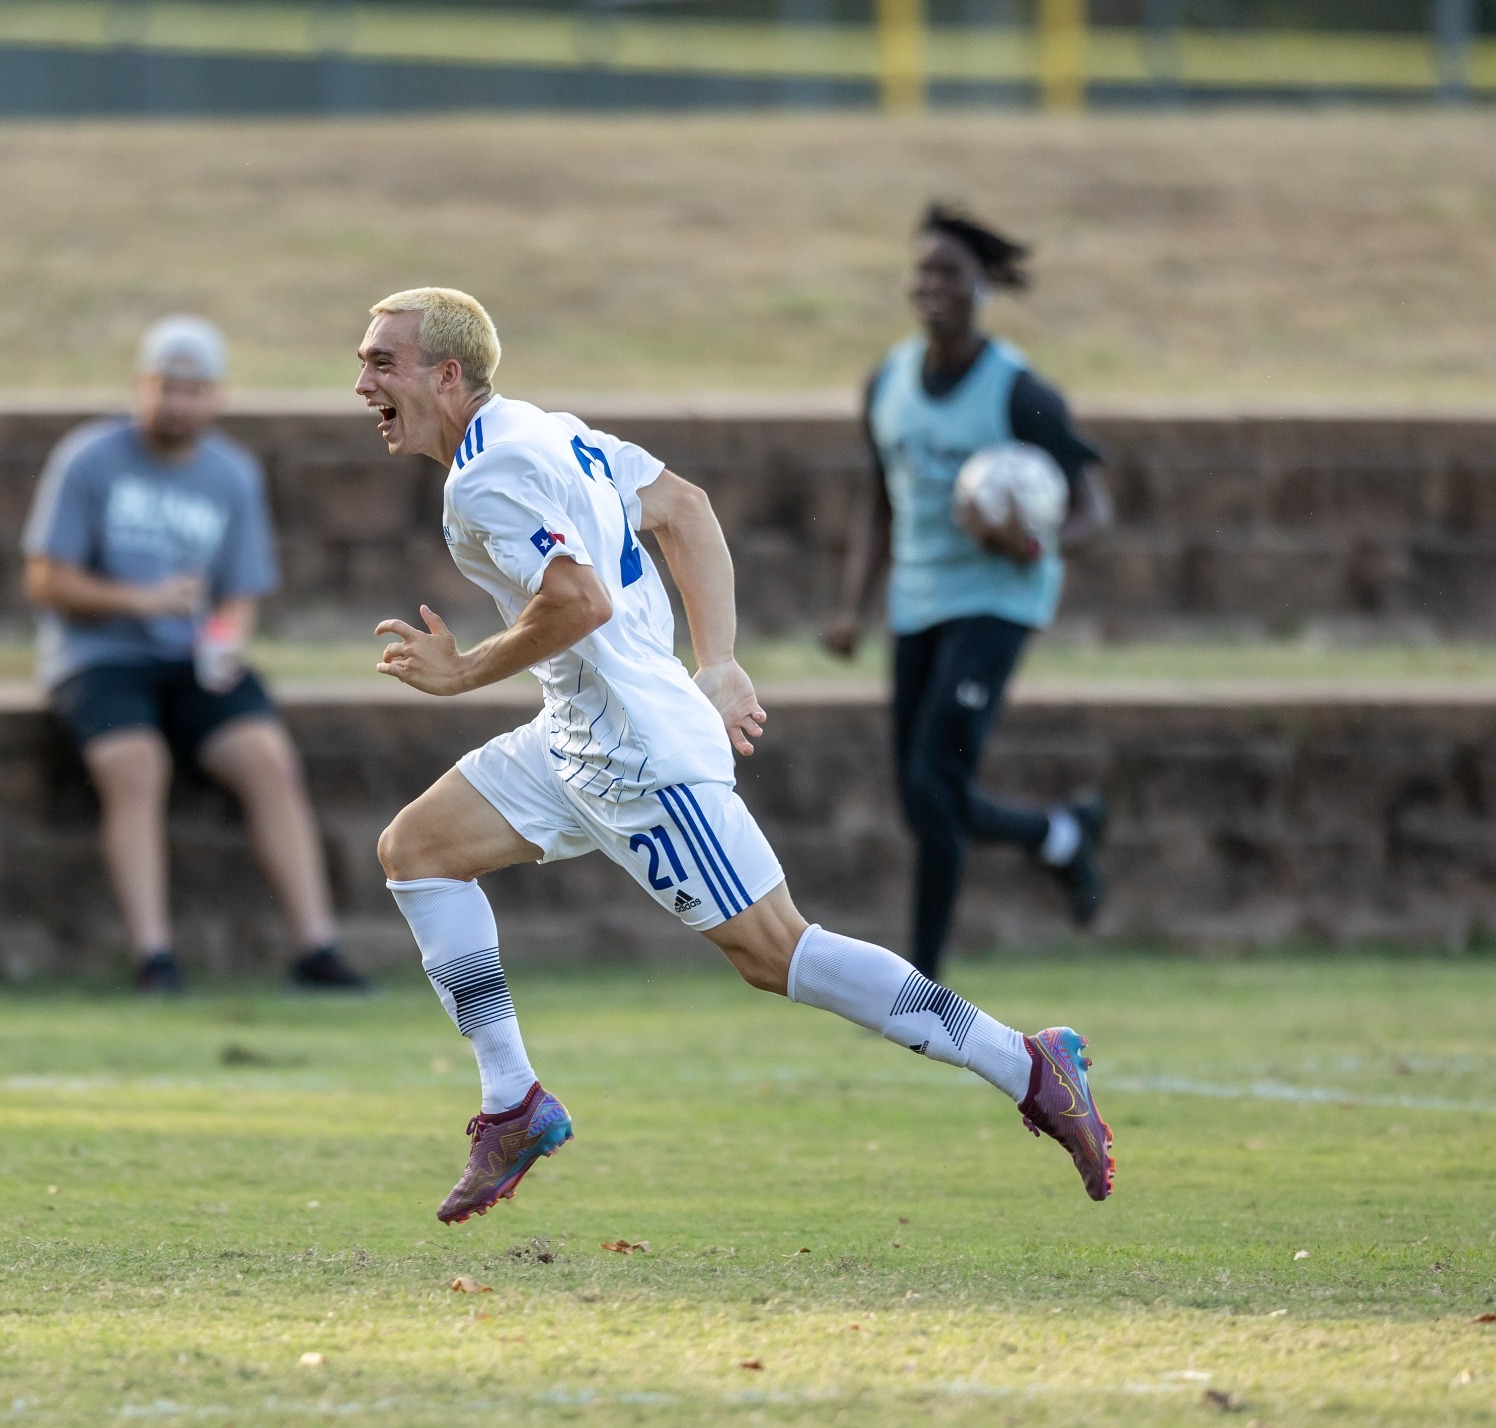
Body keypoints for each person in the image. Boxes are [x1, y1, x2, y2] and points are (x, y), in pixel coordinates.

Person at [354, 286, 1114, 1224]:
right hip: (575, 735)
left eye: (381, 364)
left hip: (638, 756)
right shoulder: (545, 431)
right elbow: (682, 506)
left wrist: (464, 671)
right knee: (416, 852)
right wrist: (715, 666)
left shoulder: (484, 477)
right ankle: (512, 1102)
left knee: (777, 952)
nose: (362, 384)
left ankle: (1026, 1066)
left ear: (447, 373)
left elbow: (580, 601)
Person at [22, 315, 366, 995]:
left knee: (267, 759)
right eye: (165, 388)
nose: (177, 404)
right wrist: (137, 600)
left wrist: (225, 638)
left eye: (193, 391)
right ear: (141, 388)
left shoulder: (231, 475)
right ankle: (156, 957)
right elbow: (44, 578)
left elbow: (240, 591)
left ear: (216, 397)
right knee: (134, 766)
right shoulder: (88, 459)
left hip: (191, 662)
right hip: (100, 655)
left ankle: (316, 948)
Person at [823, 204, 1114, 981]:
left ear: (984, 286)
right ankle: (1061, 835)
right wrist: (852, 607)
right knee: (922, 804)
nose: (934, 285)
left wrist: (1029, 539)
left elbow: (1092, 508)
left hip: (997, 598)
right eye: (923, 271)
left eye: (951, 271)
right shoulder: (886, 382)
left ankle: (919, 986)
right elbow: (877, 501)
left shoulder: (1020, 392)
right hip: (915, 602)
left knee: (934, 784)